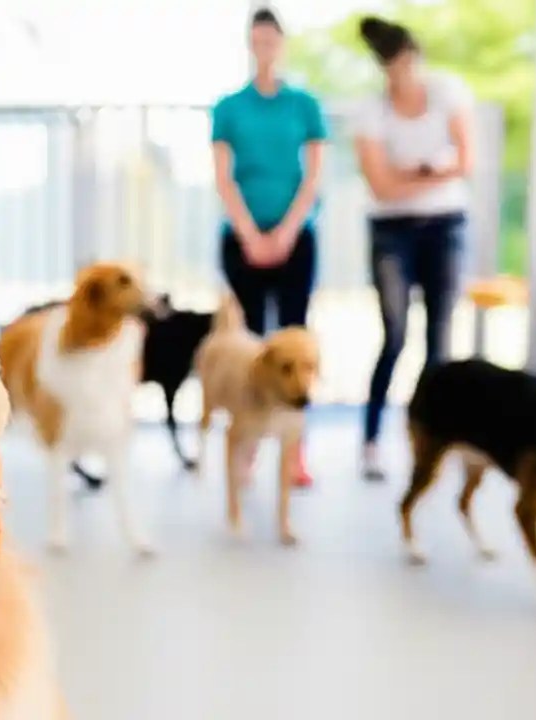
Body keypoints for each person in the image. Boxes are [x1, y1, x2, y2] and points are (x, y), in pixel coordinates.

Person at [354, 16, 475, 481]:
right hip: (391, 231)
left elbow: (465, 161)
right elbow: (378, 186)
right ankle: (371, 441)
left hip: (445, 226)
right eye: (393, 66)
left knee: (439, 341)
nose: (402, 73)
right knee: (395, 335)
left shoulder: (448, 92)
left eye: (408, 62)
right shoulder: (372, 110)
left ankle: (433, 438)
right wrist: (429, 173)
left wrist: (405, 175)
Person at [211, 7, 327, 488]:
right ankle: (251, 447)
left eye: (271, 40)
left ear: (281, 45)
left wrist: (285, 232)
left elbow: (314, 173)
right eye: (257, 40)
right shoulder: (229, 107)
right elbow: (224, 176)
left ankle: (295, 454)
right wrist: (250, 234)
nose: (265, 48)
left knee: (297, 344)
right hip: (243, 241)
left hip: (295, 238)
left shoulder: (304, 105)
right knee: (253, 347)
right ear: (249, 45)